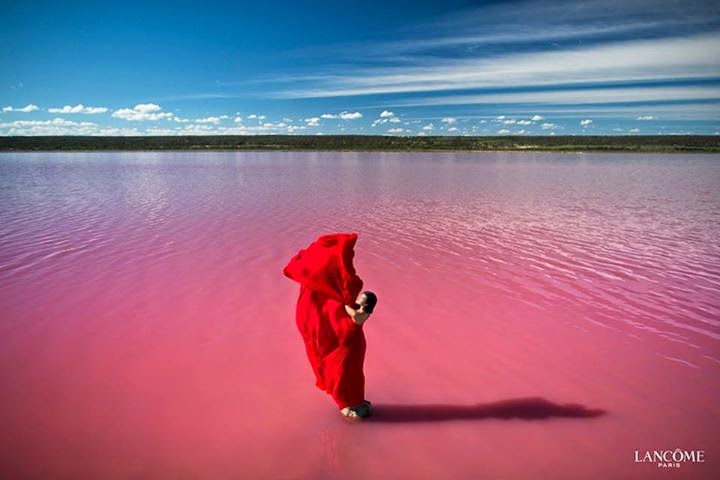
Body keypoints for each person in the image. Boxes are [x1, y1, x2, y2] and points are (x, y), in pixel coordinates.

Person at [283, 233, 378, 420]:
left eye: (362, 298)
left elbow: (348, 309)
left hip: (350, 348)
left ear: (367, 304)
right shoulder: (355, 305)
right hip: (348, 346)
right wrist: (333, 290)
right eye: (360, 296)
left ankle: (353, 403)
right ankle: (353, 402)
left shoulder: (361, 313)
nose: (359, 298)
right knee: (347, 375)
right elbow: (345, 303)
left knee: (348, 375)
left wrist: (335, 293)